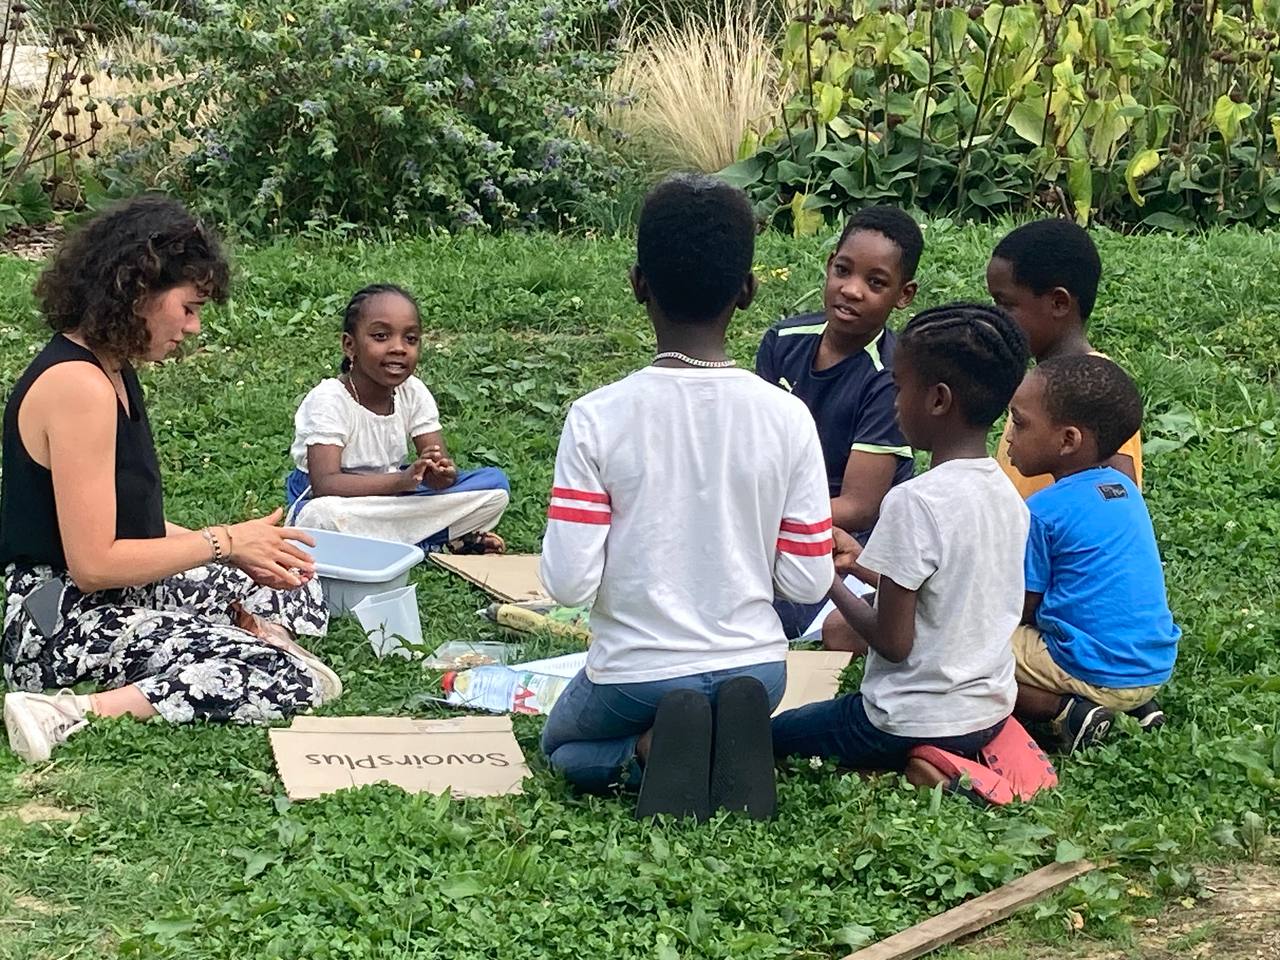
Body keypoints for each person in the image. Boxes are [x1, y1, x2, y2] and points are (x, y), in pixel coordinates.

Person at [2, 195, 339, 764]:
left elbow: (130, 524)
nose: (193, 326)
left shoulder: (112, 369)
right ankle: (66, 711)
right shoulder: (77, 387)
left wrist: (243, 552)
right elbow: (93, 564)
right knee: (285, 676)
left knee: (296, 586)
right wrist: (223, 542)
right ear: (137, 291)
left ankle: (230, 635)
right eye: (188, 307)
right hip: (57, 619)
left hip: (109, 594)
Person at [539, 174, 835, 821]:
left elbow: (568, 583)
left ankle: (649, 750)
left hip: (636, 675)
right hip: (758, 669)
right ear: (748, 291)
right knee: (722, 688)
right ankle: (726, 741)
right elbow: (808, 580)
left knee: (558, 747)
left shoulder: (597, 417)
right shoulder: (788, 417)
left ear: (638, 284)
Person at [773, 303, 1031, 775]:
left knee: (773, 733)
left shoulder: (914, 501)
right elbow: (946, 591)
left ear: (938, 400)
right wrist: (858, 563)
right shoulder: (1006, 493)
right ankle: (948, 759)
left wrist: (828, 580)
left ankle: (919, 761)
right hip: (988, 711)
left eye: (898, 387)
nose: (894, 403)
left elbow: (893, 643)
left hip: (904, 721)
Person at [755, 206, 921, 637]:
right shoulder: (783, 341)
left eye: (875, 283)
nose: (851, 290)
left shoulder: (891, 377)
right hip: (775, 513)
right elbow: (755, 450)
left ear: (904, 295)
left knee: (769, 611)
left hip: (846, 538)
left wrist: (759, 516)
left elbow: (859, 506)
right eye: (843, 271)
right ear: (829, 265)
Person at [1005, 355, 1180, 751]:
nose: (1010, 435)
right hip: (1150, 666)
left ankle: (1066, 712)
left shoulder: (1043, 512)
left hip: (1096, 668)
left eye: (1019, 422)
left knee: (966, 647)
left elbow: (1021, 607)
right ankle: (1135, 707)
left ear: (1068, 440)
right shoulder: (1122, 489)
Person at [284, 283, 509, 553]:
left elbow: (437, 466)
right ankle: (429, 539)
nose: (399, 348)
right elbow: (325, 483)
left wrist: (439, 475)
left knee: (494, 487)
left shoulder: (412, 391)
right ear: (349, 345)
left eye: (410, 339)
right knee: (322, 516)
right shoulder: (329, 399)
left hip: (392, 495)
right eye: (381, 336)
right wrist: (401, 482)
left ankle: (395, 541)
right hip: (337, 500)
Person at [986, 219, 1142, 497]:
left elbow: (1117, 498)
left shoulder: (1096, 388)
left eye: (1006, 304)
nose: (996, 318)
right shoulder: (1041, 383)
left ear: (1059, 303)